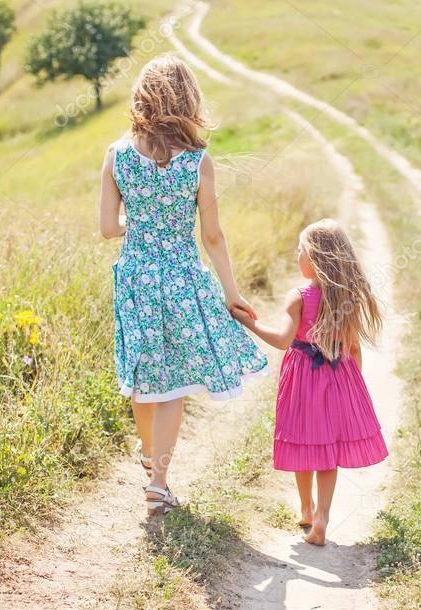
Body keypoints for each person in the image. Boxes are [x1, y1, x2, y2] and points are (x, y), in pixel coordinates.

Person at [99, 54, 267, 516]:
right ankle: (158, 481)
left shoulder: (116, 156)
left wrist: (141, 227)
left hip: (134, 276)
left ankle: (151, 457)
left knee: (142, 373)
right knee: (171, 385)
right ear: (186, 99)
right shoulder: (197, 162)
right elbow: (211, 236)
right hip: (182, 278)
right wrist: (232, 291)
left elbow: (107, 228)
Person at [231, 219, 388, 545]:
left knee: (304, 441)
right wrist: (352, 386)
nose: (296, 255)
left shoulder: (298, 296)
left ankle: (305, 507)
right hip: (339, 377)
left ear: (315, 257)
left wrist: (248, 322)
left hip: (303, 378)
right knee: (328, 451)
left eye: (300, 249)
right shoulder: (346, 298)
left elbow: (282, 340)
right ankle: (320, 517)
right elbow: (354, 349)